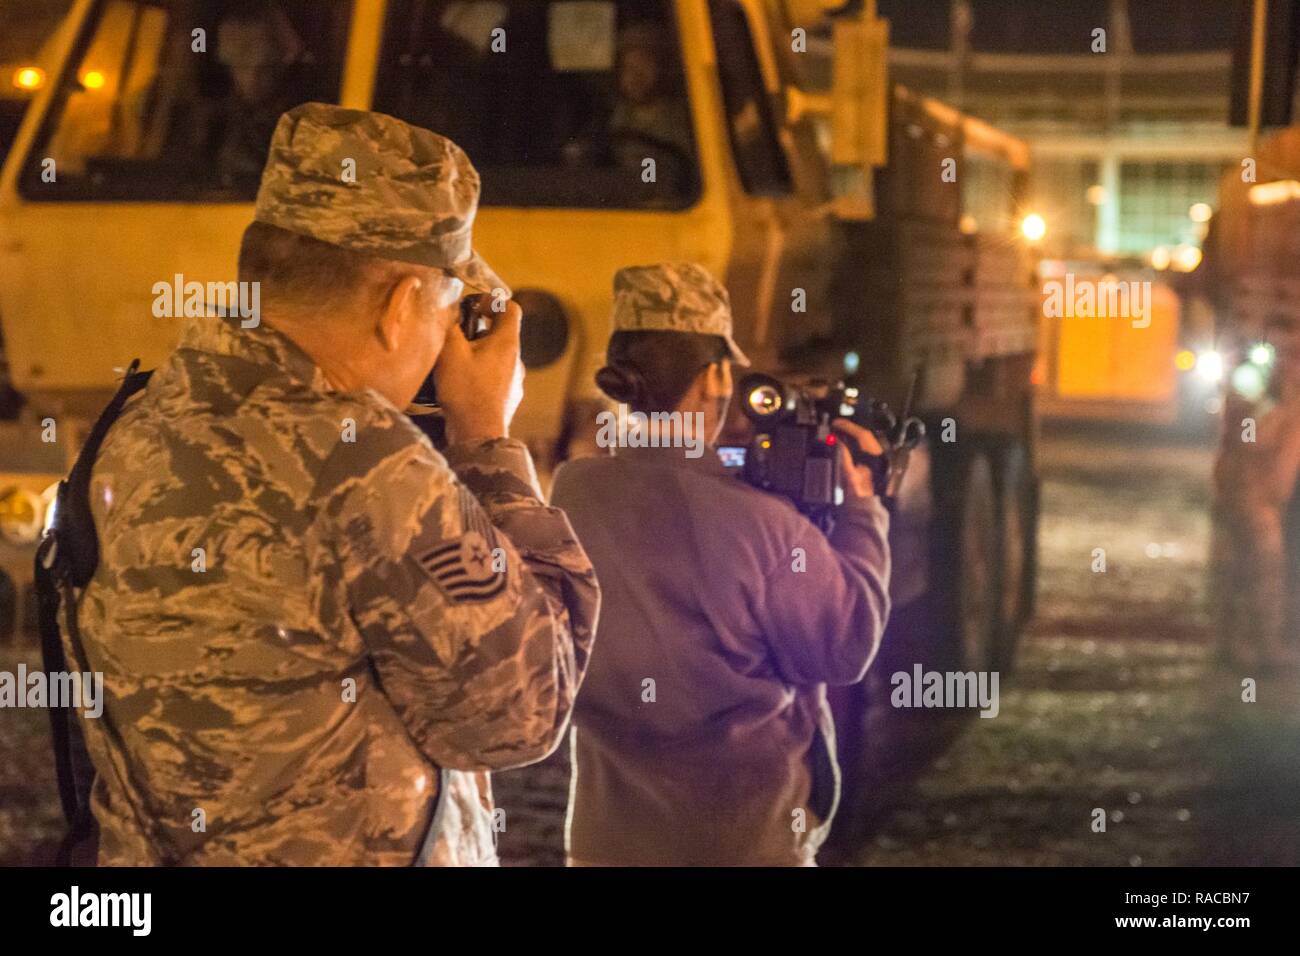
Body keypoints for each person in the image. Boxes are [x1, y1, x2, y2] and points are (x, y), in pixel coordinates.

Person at [59, 103, 599, 865]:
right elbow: (519, 713)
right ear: (401, 304)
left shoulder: (135, 426)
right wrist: (487, 441)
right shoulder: (367, 466)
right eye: (443, 310)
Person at [550, 263, 891, 866]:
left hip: (606, 846)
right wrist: (862, 514)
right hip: (741, 845)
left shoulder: (573, 494)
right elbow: (844, 644)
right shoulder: (760, 525)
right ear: (713, 377)